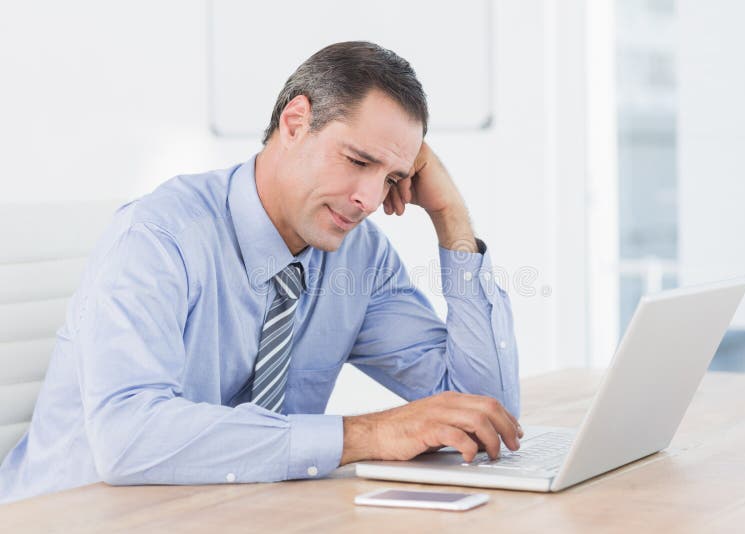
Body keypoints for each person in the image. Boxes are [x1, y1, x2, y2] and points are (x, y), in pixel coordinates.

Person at [0, 41, 521, 503]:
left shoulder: (360, 257)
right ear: (295, 123)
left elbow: (485, 414)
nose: (369, 198)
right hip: (70, 513)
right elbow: (127, 437)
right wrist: (366, 435)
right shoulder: (158, 238)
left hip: (220, 513)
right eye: (358, 161)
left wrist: (450, 218)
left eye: (392, 179)